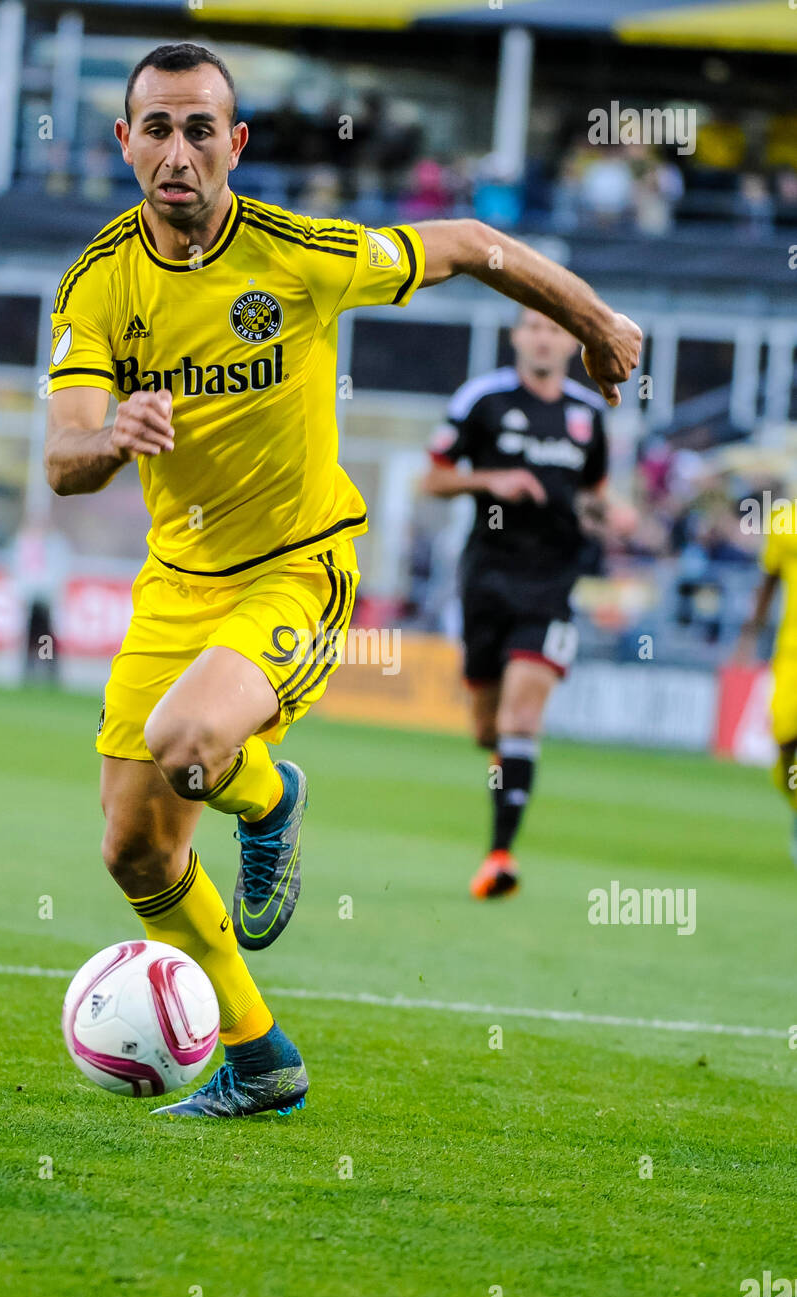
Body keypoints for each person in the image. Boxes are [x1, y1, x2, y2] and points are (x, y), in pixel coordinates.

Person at [43, 42, 641, 1118]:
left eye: (197, 129)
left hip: (296, 567)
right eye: (154, 128)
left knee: (193, 747)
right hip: (174, 584)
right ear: (122, 142)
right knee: (134, 848)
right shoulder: (95, 284)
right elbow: (62, 452)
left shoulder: (296, 251)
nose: (175, 151)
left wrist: (593, 321)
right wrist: (113, 436)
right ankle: (260, 1056)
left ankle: (269, 801)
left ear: (233, 143)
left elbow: (466, 242)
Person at [421, 308, 636, 900]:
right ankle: (502, 768)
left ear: (572, 342)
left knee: (521, 715)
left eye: (554, 329)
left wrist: (613, 514)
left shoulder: (589, 413)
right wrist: (491, 481)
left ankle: (499, 856)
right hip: (487, 580)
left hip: (553, 585)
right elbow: (432, 479)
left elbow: (591, 494)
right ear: (517, 337)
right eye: (532, 328)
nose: (543, 338)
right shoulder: (481, 399)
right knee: (488, 725)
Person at [735, 499, 797, 864]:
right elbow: (768, 583)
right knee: (786, 742)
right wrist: (748, 636)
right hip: (792, 655)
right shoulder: (785, 522)